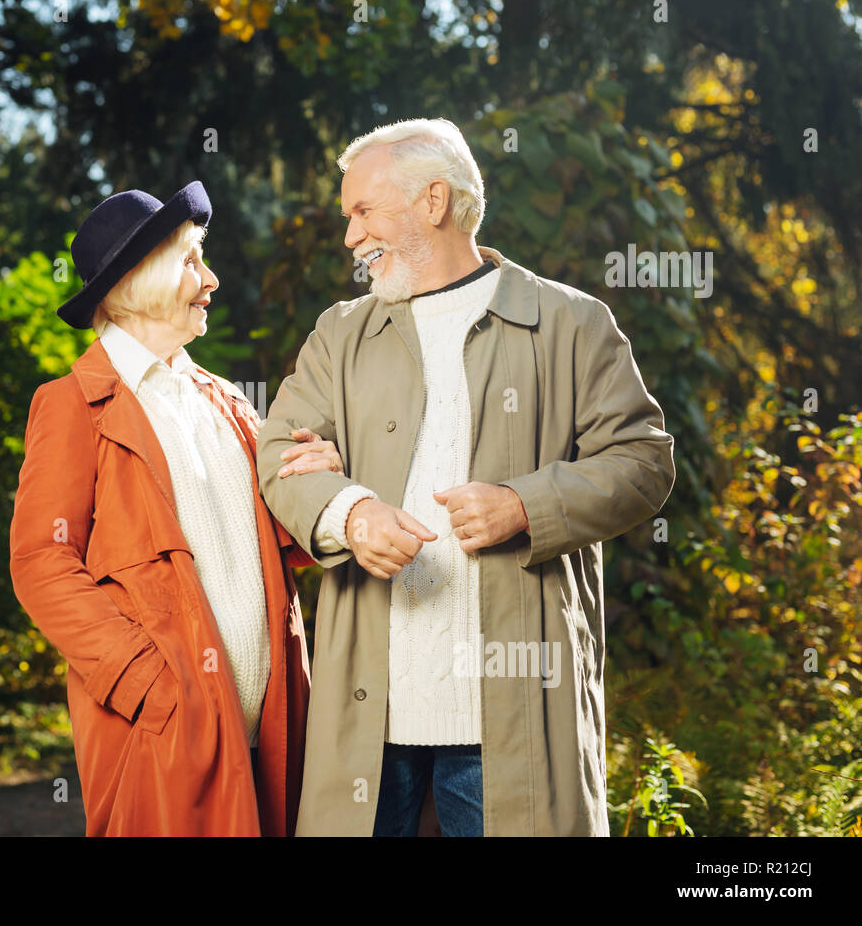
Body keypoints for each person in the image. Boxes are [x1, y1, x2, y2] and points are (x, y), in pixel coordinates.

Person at [255, 119, 676, 836]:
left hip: (508, 724)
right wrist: (351, 512)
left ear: (433, 201)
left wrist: (524, 503)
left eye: (362, 211)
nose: (350, 237)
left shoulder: (572, 322)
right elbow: (277, 453)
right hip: (370, 719)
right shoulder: (340, 332)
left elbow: (643, 459)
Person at [10, 181, 336, 835]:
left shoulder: (227, 401)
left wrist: (317, 479)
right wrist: (150, 687)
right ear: (137, 278)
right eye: (191, 260)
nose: (210, 277)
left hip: (272, 732)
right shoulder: (73, 404)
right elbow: (42, 563)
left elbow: (282, 536)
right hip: (163, 735)